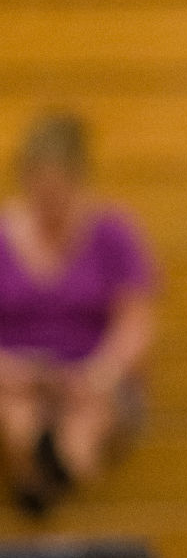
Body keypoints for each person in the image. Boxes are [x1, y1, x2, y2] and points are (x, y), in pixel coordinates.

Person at [0, 114, 158, 515]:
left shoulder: (113, 232)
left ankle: (50, 475)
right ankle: (46, 472)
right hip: (13, 375)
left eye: (58, 188)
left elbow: (136, 322)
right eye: (40, 186)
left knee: (87, 421)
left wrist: (101, 373)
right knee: (15, 413)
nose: (48, 198)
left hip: (94, 378)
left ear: (79, 180)